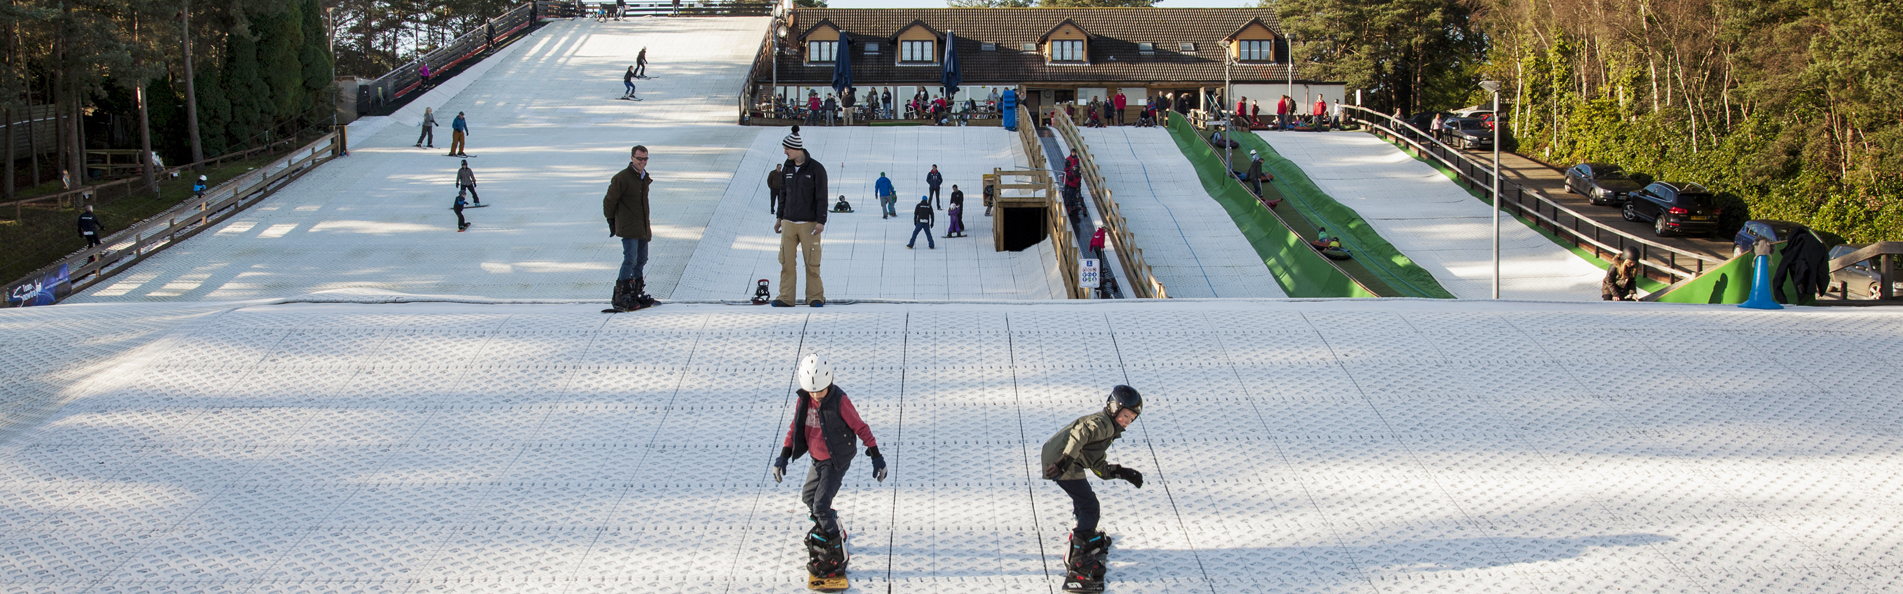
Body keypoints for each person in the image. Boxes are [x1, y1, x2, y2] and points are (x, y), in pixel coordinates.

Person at [771, 353, 887, 580]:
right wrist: (783, 456)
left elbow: (861, 428)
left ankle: (837, 556)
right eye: (812, 391)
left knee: (821, 505)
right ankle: (833, 528)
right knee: (808, 498)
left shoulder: (840, 401)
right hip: (817, 458)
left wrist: (876, 456)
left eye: (820, 390)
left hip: (837, 459)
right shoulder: (804, 400)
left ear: (829, 382)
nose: (816, 395)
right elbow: (794, 428)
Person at [1041, 385, 1145, 587]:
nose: (1128, 421)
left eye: (1132, 419)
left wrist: (1124, 472)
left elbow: (1098, 467)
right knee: (1090, 506)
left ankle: (1082, 533)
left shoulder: (1108, 430)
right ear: (1114, 408)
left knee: (1083, 500)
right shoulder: (1102, 424)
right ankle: (1079, 560)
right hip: (1060, 461)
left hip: (1063, 459)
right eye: (1125, 415)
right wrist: (1064, 461)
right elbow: (1081, 433)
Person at [775, 126, 827, 308]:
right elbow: (783, 194)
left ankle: (815, 297)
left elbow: (822, 196)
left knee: (812, 263)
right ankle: (785, 297)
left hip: (809, 224)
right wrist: (779, 217)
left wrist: (821, 221)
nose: (785, 152)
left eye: (787, 149)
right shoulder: (787, 168)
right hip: (789, 222)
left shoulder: (816, 169)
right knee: (786, 262)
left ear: (796, 148)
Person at [604, 144, 657, 312]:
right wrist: (612, 221)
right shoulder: (622, 178)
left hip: (641, 226)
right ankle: (621, 295)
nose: (643, 162)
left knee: (641, 260)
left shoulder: (643, 177)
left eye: (645, 159)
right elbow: (609, 201)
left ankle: (635, 292)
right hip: (629, 226)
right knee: (630, 260)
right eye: (639, 159)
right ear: (632, 158)